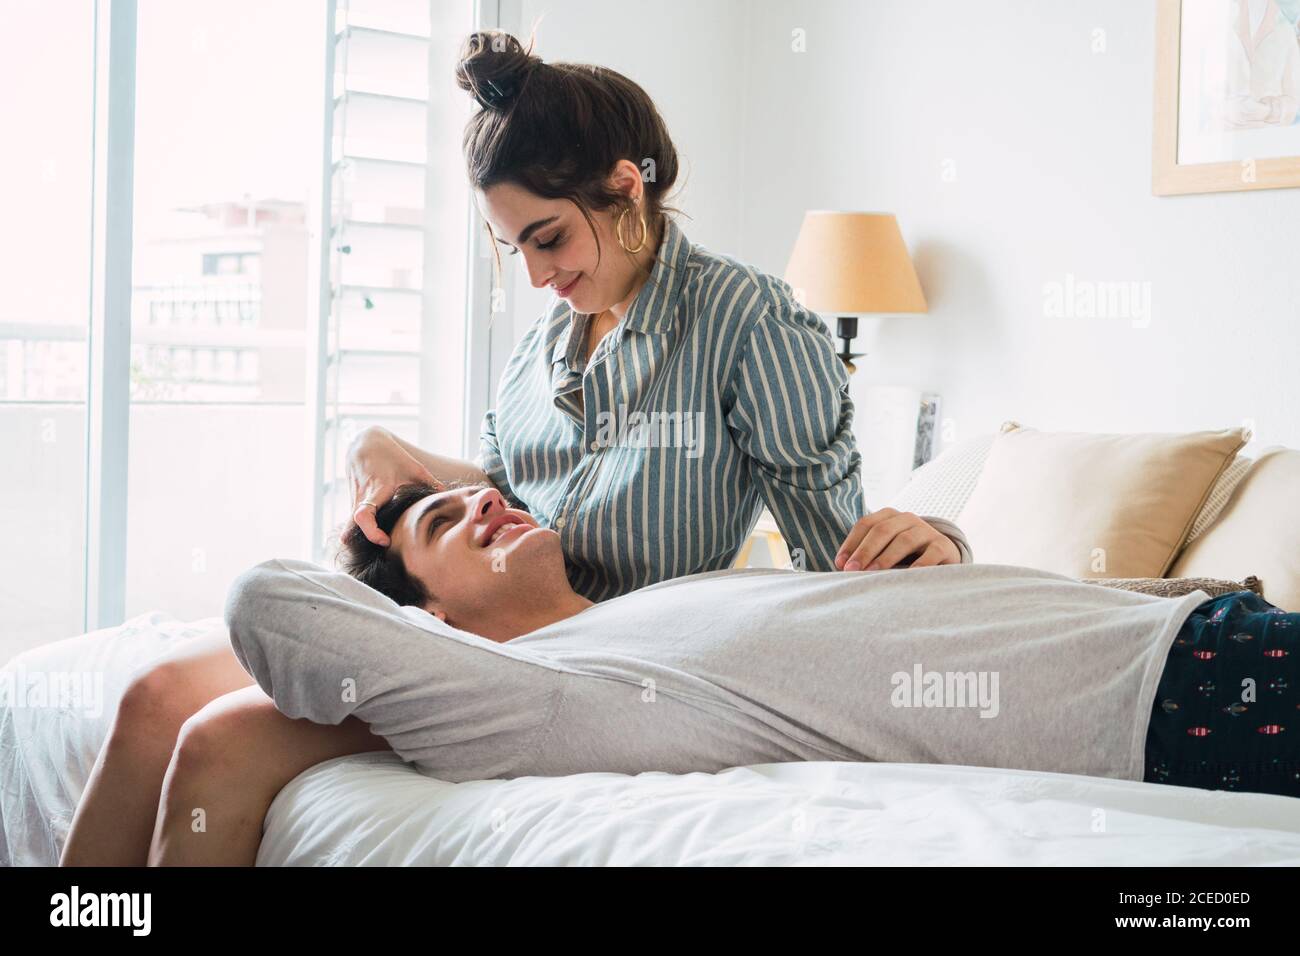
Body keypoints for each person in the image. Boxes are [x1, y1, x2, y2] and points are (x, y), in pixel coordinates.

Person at [61, 27, 971, 867]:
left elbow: (839, 559)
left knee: (220, 743)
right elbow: (507, 489)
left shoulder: (747, 321)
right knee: (149, 698)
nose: (536, 274)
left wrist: (938, 542)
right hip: (473, 625)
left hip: (586, 660)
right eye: (513, 249)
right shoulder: (547, 341)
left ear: (625, 187)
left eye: (549, 238)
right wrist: (381, 444)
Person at [226, 482, 1300, 800]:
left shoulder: (661, 598)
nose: (484, 501)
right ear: (426, 620)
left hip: (1188, 623)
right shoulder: (541, 692)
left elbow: (892, 622)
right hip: (1173, 700)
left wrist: (938, 534)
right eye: (442, 523)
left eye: (480, 488)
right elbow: (268, 604)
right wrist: (380, 462)